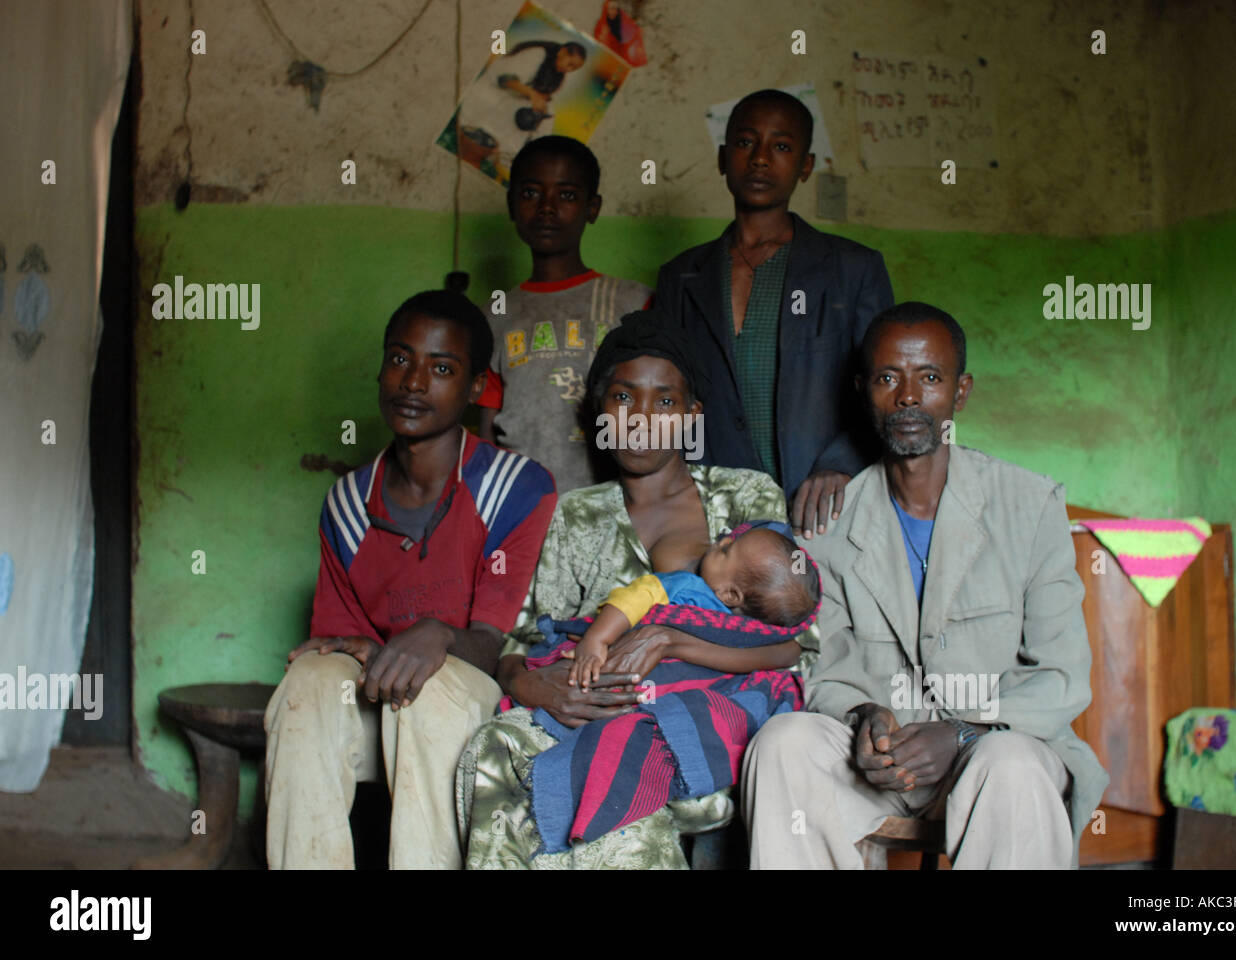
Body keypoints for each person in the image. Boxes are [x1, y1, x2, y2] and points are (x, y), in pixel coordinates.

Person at [742, 301, 1108, 869]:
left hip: (994, 750)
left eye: (929, 377)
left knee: (1009, 763)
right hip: (882, 765)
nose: (908, 396)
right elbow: (821, 667)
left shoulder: (1030, 504)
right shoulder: (828, 522)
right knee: (782, 742)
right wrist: (866, 717)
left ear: (960, 393)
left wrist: (962, 734)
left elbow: (1060, 677)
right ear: (864, 389)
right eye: (889, 378)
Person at [456, 314, 816, 868]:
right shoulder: (575, 515)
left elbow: (794, 646)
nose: (641, 420)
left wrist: (672, 642)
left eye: (665, 402)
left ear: (693, 415)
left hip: (703, 730)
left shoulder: (745, 495)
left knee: (617, 796)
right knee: (490, 756)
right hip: (588, 712)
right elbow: (519, 643)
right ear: (600, 412)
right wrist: (537, 688)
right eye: (623, 398)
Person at [263, 290, 556, 869]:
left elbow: (498, 645)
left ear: (476, 388)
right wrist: (361, 650)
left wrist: (437, 634)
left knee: (430, 688)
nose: (414, 382)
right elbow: (347, 644)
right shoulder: (348, 503)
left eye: (441, 368)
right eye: (400, 359)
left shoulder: (516, 488)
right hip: (383, 710)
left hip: (487, 710)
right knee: (310, 683)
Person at [655, 88, 895, 541]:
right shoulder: (682, 277)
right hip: (714, 513)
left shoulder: (853, 270)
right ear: (723, 158)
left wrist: (838, 465)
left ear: (805, 166)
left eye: (782, 147)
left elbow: (884, 385)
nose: (761, 159)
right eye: (746, 143)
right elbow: (667, 395)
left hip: (825, 510)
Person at [477, 136, 652, 494]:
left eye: (567, 195)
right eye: (530, 193)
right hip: (520, 510)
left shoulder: (632, 303)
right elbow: (487, 436)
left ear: (593, 207)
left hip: (612, 507)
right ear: (511, 206)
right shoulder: (494, 315)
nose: (547, 207)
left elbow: (662, 414)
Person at [570, 524, 819, 689]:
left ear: (730, 595)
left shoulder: (688, 588)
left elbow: (637, 595)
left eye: (727, 550)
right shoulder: (756, 632)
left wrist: (597, 641)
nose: (723, 540)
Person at [455, 41, 587, 175]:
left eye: (573, 69)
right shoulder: (538, 53)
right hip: (487, 95)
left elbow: (543, 98)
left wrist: (541, 107)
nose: (569, 70)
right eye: (570, 64)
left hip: (505, 105)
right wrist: (531, 94)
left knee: (543, 120)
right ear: (562, 51)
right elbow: (505, 79)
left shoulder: (556, 76)